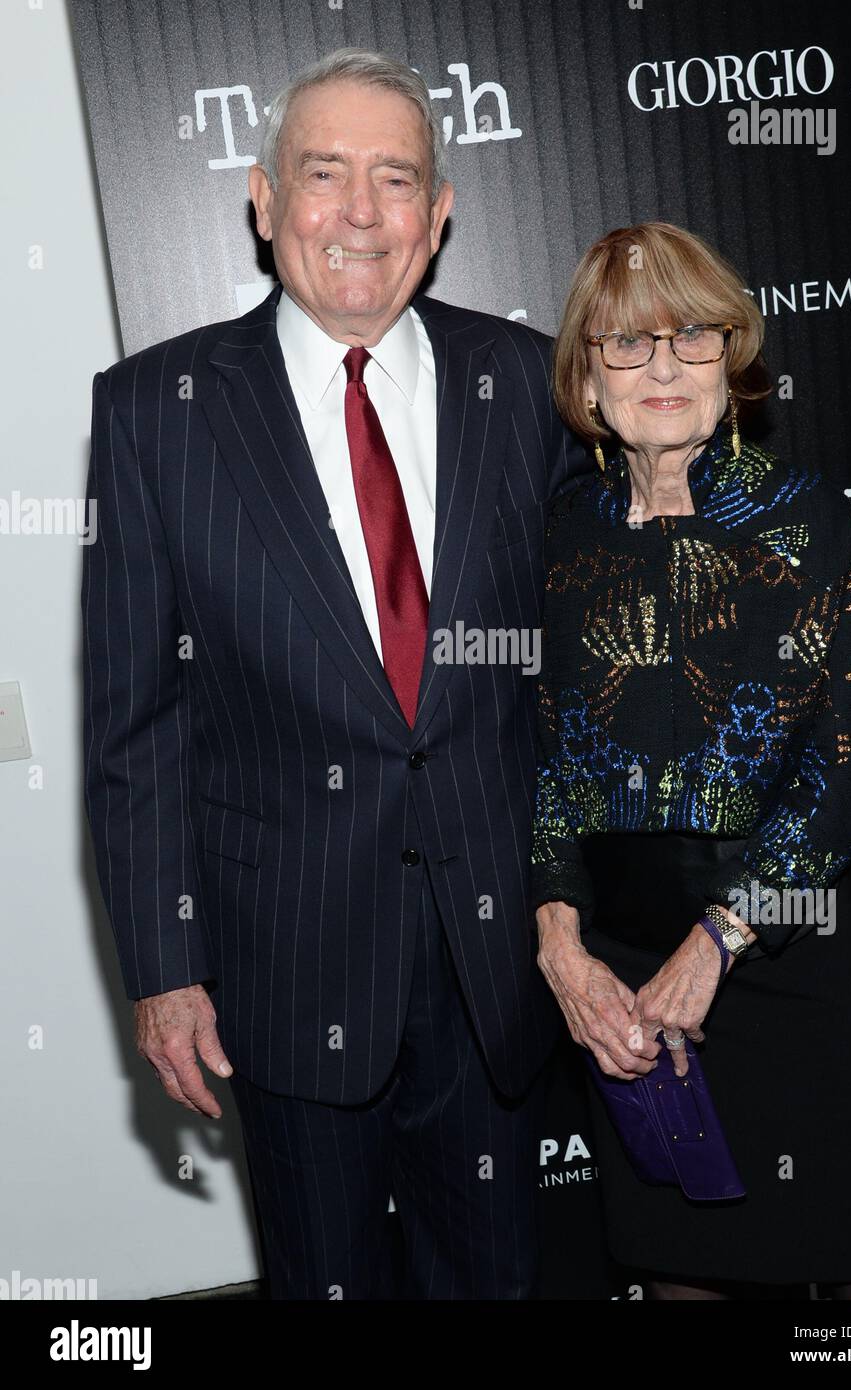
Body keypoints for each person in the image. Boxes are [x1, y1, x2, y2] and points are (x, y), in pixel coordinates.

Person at [81, 47, 590, 1300]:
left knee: (502, 1283)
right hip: (285, 953)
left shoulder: (529, 386)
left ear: (441, 212)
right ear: (263, 199)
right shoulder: (157, 409)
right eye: (324, 174)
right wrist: (163, 966)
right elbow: (135, 724)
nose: (361, 213)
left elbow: (581, 683)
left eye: (396, 178)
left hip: (499, 959)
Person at [531, 221, 851, 1300]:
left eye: (692, 336)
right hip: (623, 979)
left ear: (731, 359)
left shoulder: (803, 521)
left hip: (779, 955)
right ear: (586, 380)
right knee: (677, 1277)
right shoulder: (562, 540)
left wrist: (722, 935)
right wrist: (563, 946)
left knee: (850, 1278)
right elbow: (545, 763)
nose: (663, 366)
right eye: (626, 343)